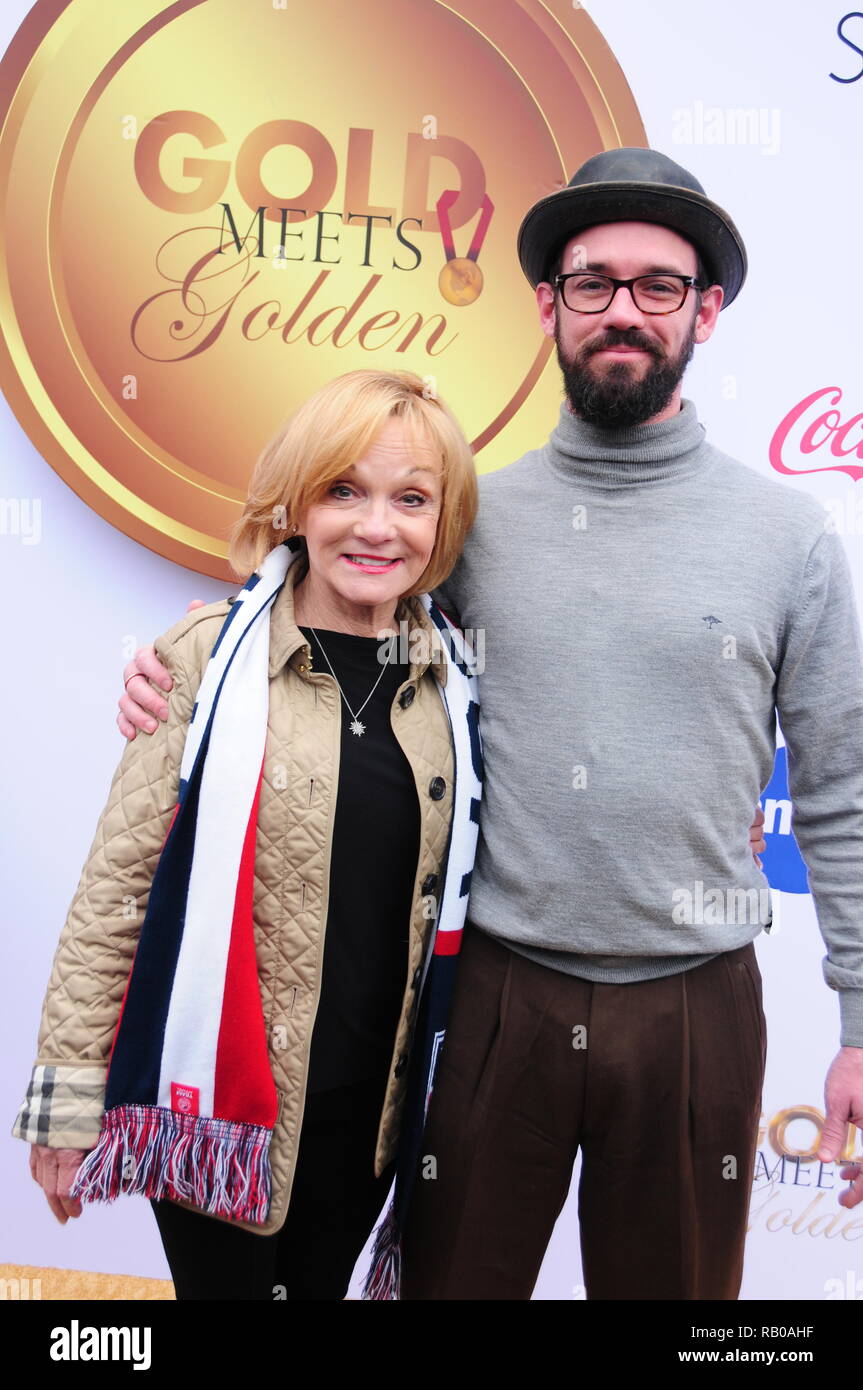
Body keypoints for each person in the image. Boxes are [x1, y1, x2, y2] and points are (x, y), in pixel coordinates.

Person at [115, 148, 863, 1303]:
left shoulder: (790, 536)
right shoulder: (468, 517)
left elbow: (839, 789)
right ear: (547, 305)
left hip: (695, 1005)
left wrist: (858, 1019)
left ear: (704, 311)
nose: (622, 309)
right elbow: (329, 618)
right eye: (591, 281)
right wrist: (191, 664)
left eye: (656, 285)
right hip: (491, 996)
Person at [11, 368, 481, 1300]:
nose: (376, 526)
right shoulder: (207, 659)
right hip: (221, 1104)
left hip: (374, 1114)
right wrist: (65, 1099)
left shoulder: (456, 686)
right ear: (294, 504)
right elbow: (119, 885)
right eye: (342, 489)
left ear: (442, 526)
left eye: (411, 499)